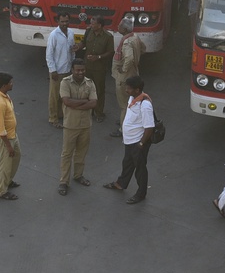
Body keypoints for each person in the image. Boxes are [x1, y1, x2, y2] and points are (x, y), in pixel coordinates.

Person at [105, 75, 154, 204]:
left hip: (138, 142)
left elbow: (149, 128)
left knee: (140, 169)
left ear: (137, 90)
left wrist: (141, 143)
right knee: (127, 163)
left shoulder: (145, 105)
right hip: (130, 141)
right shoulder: (133, 98)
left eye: (129, 88)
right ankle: (121, 183)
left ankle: (141, 193)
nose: (126, 90)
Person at [57, 59, 98, 195]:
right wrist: (84, 101)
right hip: (70, 125)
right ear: (72, 70)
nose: (80, 72)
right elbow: (66, 101)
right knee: (67, 154)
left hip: (86, 124)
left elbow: (94, 103)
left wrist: (76, 104)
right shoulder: (65, 82)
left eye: (82, 70)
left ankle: (78, 175)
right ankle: (63, 182)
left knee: (81, 152)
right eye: (77, 70)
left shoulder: (90, 83)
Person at [110, 20, 144, 138]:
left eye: (119, 26)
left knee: (124, 104)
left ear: (124, 29)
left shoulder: (126, 43)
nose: (117, 27)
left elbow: (128, 58)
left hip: (124, 77)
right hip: (134, 73)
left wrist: (123, 69)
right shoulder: (135, 37)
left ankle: (123, 128)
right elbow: (143, 48)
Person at [0, 72, 20, 200]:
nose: (12, 84)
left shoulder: (1, 95)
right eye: (10, 83)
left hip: (12, 134)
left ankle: (8, 181)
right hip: (7, 138)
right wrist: (8, 146)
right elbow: (0, 127)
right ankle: (1, 191)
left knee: (16, 157)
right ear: (4, 85)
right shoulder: (0, 103)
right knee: (5, 164)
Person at [45, 13, 76, 126]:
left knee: (64, 95)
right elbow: (49, 54)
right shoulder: (54, 35)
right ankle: (53, 118)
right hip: (57, 71)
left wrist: (73, 66)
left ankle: (60, 114)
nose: (64, 24)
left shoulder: (71, 33)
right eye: (62, 21)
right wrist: (53, 70)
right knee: (54, 96)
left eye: (66, 21)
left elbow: (72, 51)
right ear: (58, 21)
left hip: (68, 69)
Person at [80, 18, 114, 121]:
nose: (91, 26)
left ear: (100, 25)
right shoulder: (88, 31)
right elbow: (84, 42)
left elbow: (110, 52)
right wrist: (78, 46)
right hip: (88, 66)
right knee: (86, 89)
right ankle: (88, 111)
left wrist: (98, 57)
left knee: (99, 90)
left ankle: (99, 112)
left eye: (93, 24)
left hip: (99, 68)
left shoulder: (108, 37)